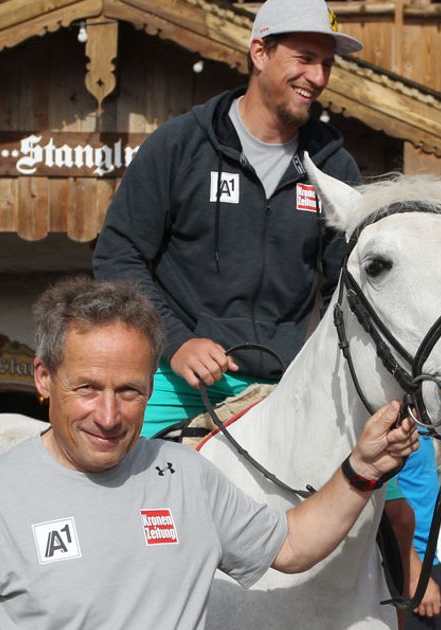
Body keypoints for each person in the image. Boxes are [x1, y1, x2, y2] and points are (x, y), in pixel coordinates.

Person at [0, 277, 417, 628]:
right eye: (87, 388)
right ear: (44, 378)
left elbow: (290, 546)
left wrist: (362, 469)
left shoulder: (185, 476)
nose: (108, 416)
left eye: (129, 391)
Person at [93, 0, 363, 437]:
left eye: (327, 64)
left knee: (387, 486)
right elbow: (117, 256)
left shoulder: (335, 168)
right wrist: (177, 342)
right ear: (259, 53)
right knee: (109, 474)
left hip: (282, 387)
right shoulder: (179, 146)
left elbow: (349, 287)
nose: (318, 77)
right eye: (305, 59)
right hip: (172, 381)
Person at [384, 435, 441, 629]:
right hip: (405, 567)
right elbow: (394, 512)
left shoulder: (421, 423)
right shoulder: (393, 429)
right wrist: (414, 575)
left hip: (430, 560)